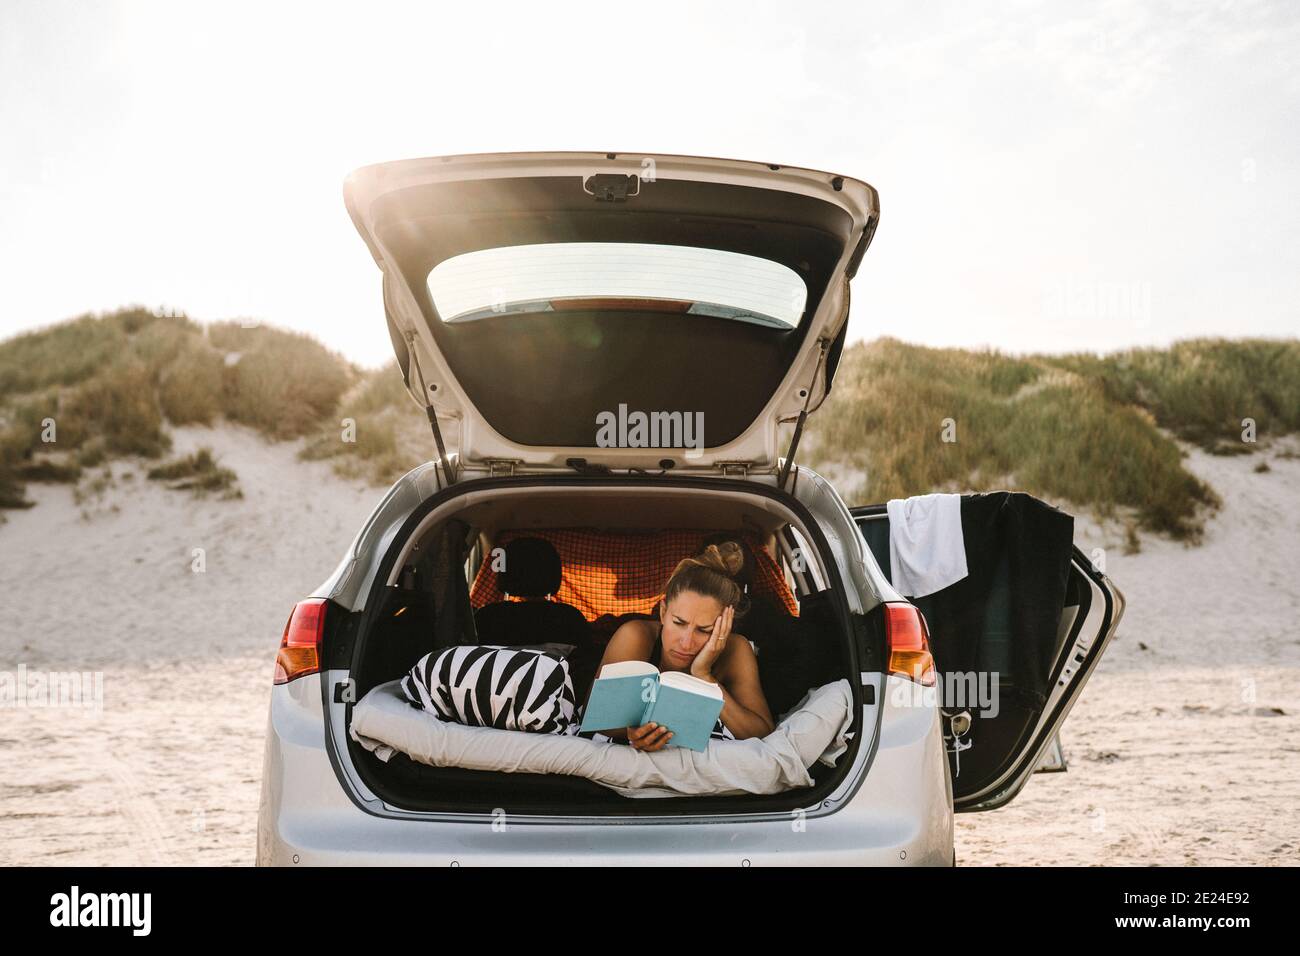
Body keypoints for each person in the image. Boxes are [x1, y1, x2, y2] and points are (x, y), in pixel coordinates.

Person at [592, 541, 775, 751]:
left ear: (724, 627)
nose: (686, 642)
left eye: (704, 630)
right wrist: (631, 731)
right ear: (663, 613)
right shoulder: (635, 635)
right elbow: (596, 718)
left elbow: (762, 733)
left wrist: (705, 676)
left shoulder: (735, 648)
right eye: (679, 623)